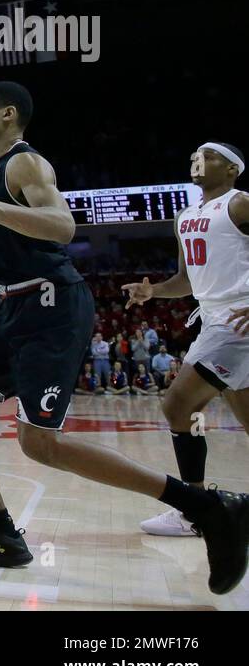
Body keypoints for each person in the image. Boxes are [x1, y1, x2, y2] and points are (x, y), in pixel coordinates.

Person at [0, 82, 249, 594]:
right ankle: (2, 535)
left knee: (39, 444)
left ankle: (203, 506)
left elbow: (60, 226)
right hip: (15, 307)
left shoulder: (28, 164)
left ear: (8, 114)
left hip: (53, 306)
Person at [123, 143, 249, 538]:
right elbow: (186, 281)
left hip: (238, 318)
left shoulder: (240, 203)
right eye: (193, 155)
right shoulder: (185, 216)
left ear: (231, 169)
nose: (197, 160)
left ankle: (196, 511)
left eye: (208, 156)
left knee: (177, 403)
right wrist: (153, 292)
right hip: (211, 317)